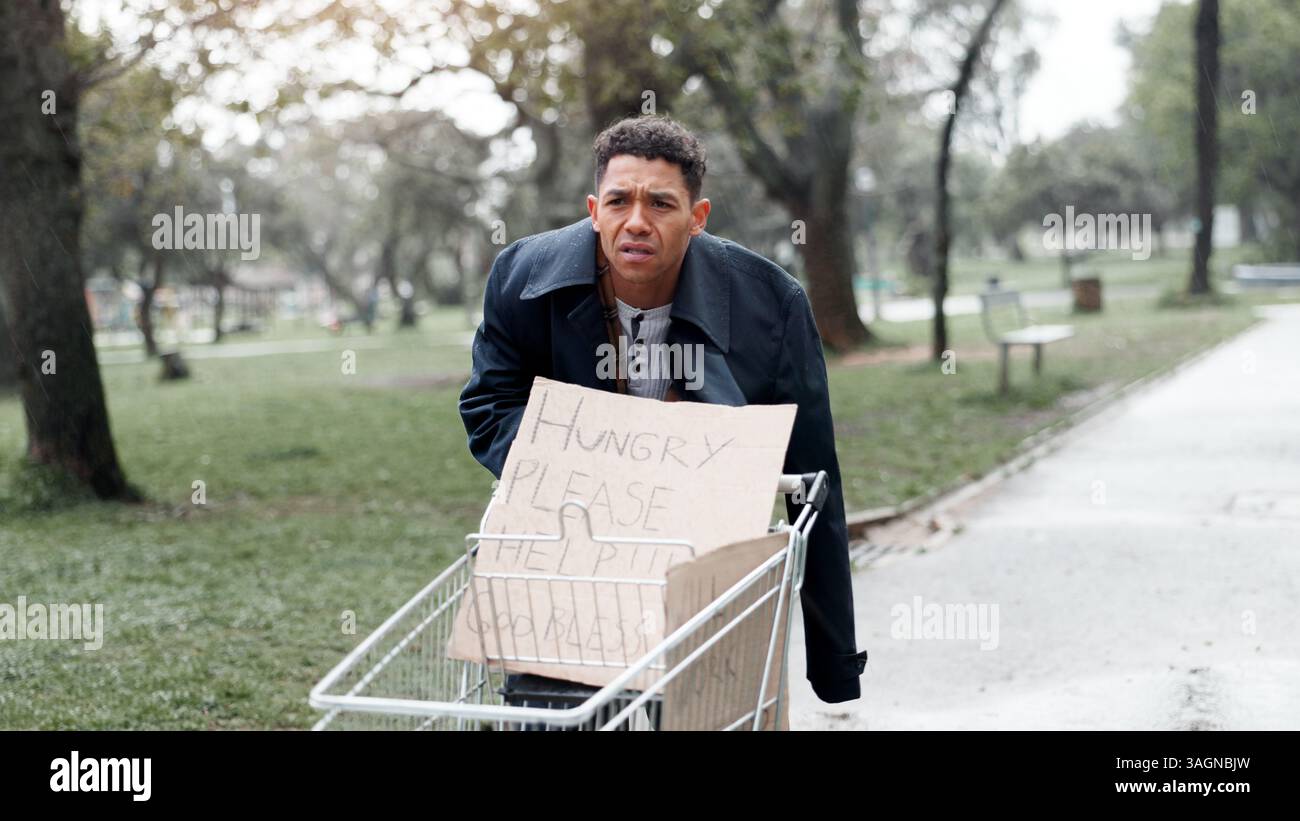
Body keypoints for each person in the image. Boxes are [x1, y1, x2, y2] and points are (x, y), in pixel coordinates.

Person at [458, 114, 867, 707]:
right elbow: (490, 404)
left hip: (702, 553)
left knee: (697, 706)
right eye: (619, 201)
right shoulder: (522, 278)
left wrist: (834, 665)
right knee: (556, 712)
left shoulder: (770, 304)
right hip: (569, 540)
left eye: (661, 204)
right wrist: (585, 465)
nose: (637, 222)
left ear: (697, 218)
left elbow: (814, 477)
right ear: (594, 209)